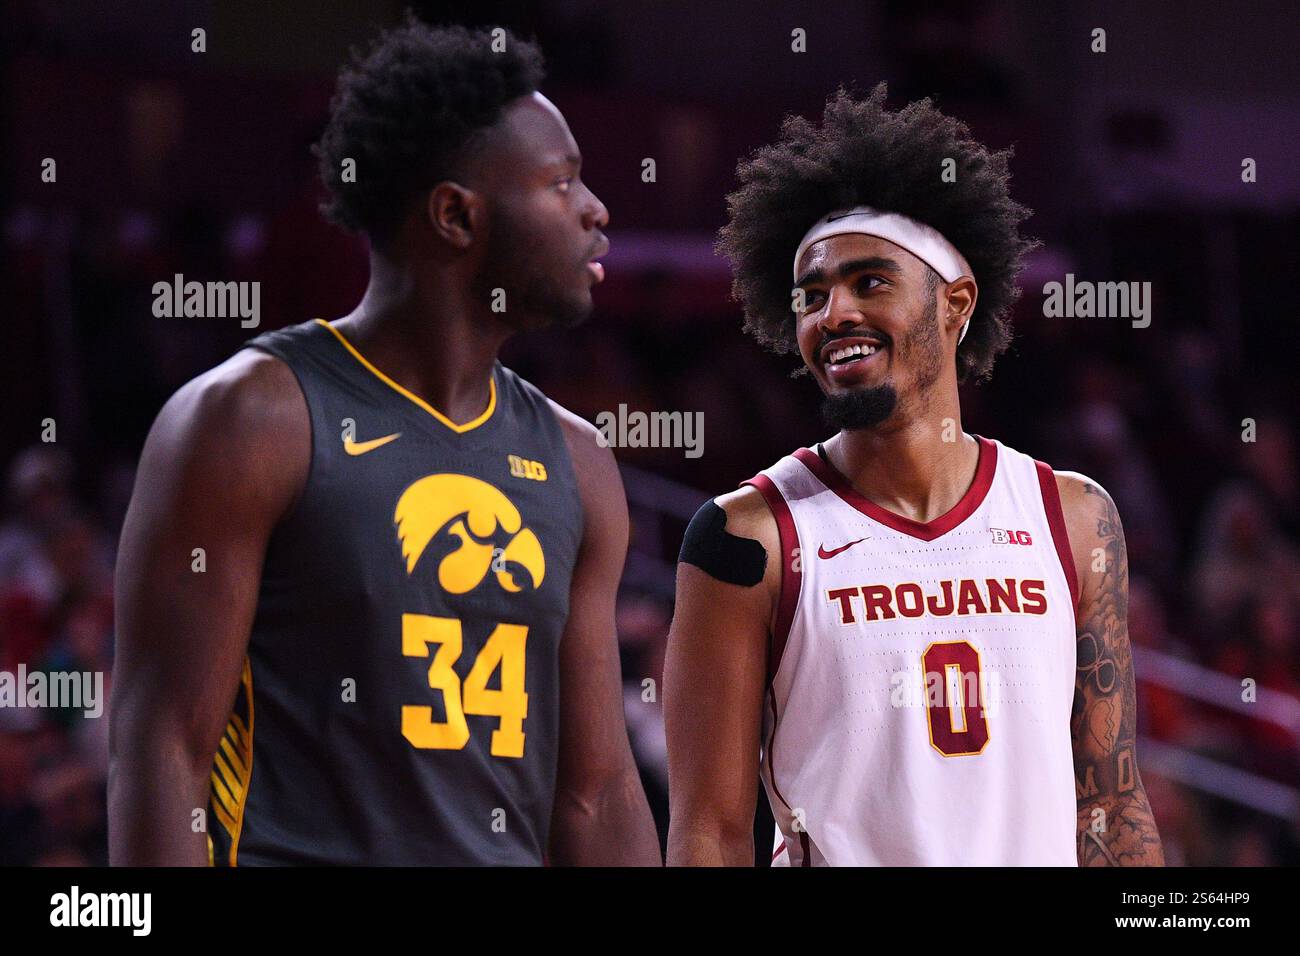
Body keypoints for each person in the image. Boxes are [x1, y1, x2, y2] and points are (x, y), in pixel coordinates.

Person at [109, 19, 659, 866]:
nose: (596, 209)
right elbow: (163, 750)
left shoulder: (579, 462)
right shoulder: (250, 420)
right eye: (562, 183)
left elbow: (596, 791)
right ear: (454, 216)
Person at [665, 86, 1163, 866]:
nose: (833, 313)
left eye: (870, 282)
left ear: (955, 304)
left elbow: (1110, 802)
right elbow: (710, 834)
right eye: (812, 295)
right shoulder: (748, 536)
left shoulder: (1073, 516)